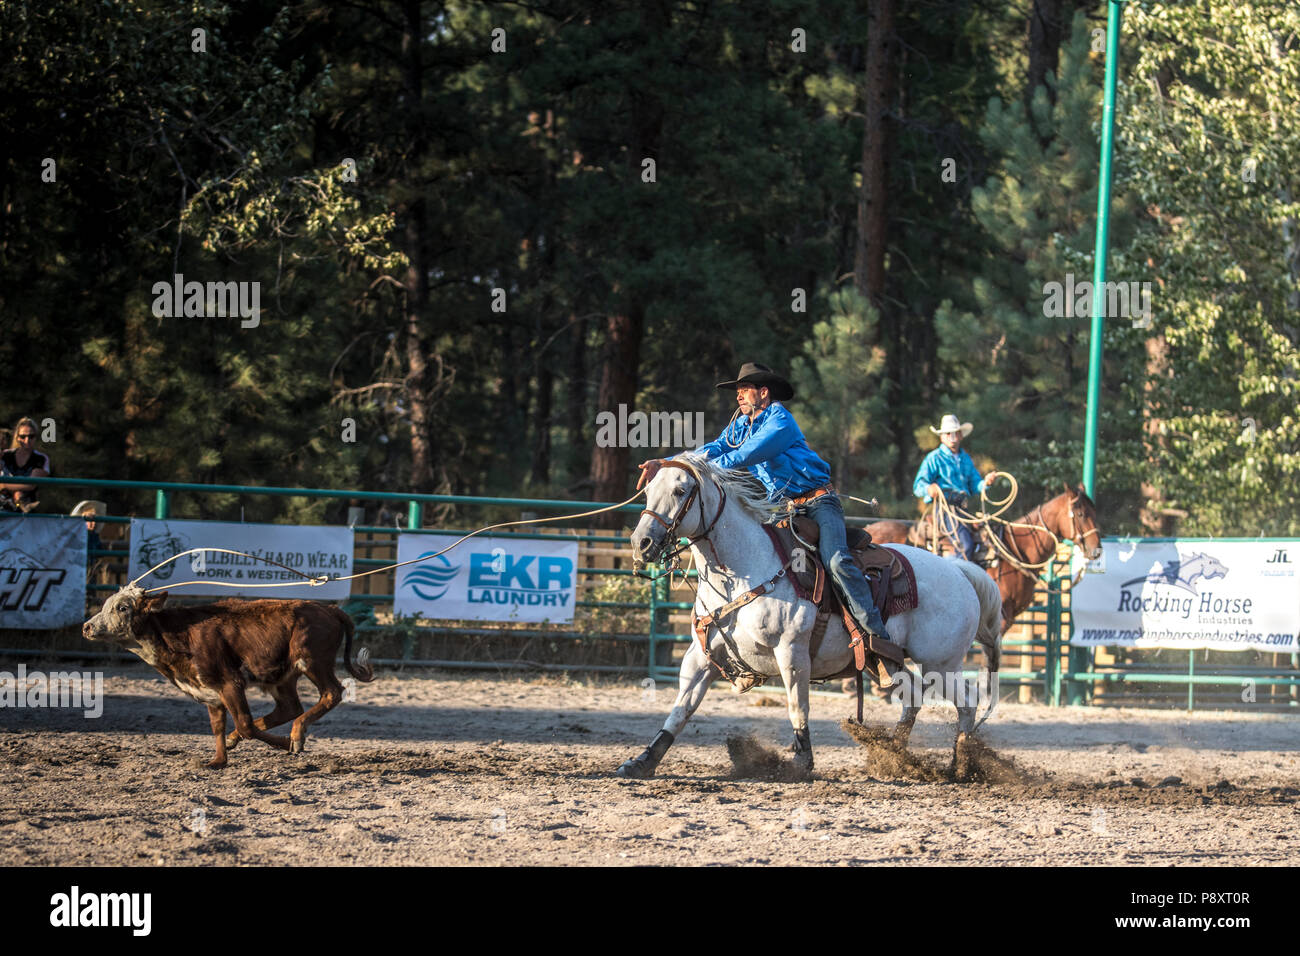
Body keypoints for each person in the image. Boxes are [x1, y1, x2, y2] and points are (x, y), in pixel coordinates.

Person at [637, 362, 898, 674]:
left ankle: (877, 640)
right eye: (738, 391)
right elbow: (716, 447)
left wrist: (705, 470)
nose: (739, 396)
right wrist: (670, 463)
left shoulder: (779, 420)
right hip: (785, 508)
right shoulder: (740, 426)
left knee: (837, 559)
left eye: (744, 390)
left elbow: (748, 454)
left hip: (819, 502)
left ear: (763, 392)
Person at [912, 413, 998, 562]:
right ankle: (959, 581)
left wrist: (986, 483)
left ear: (961, 436)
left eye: (955, 433)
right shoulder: (934, 458)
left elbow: (975, 484)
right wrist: (929, 489)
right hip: (945, 510)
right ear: (942, 437)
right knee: (965, 545)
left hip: (962, 509)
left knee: (992, 536)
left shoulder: (965, 458)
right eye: (948, 434)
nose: (952, 437)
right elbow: (918, 485)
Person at [0, 417, 52, 513]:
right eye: (23, 437)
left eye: (31, 436)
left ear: (36, 437)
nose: (27, 440)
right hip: (3, 507)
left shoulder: (41, 458)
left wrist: (3, 484)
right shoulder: (5, 455)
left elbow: (30, 484)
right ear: (17, 437)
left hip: (27, 510)